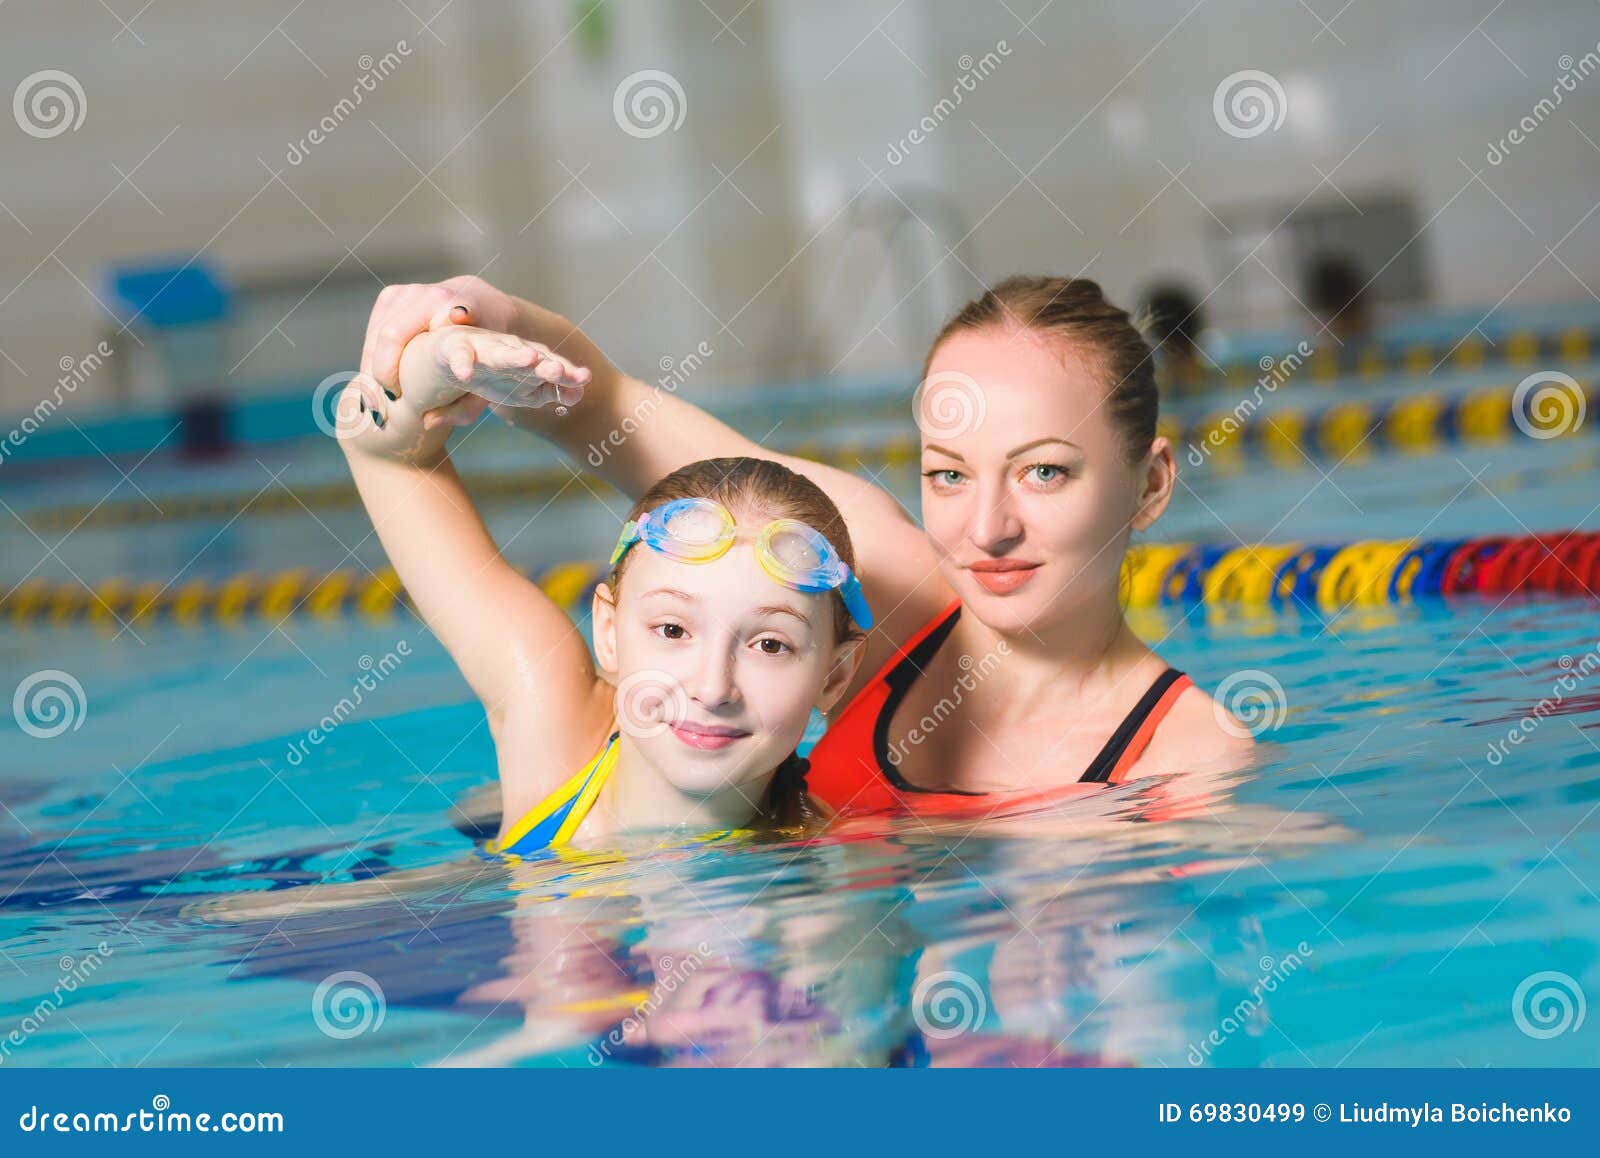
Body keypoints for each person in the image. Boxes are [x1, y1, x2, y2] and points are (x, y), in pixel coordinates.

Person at [354, 274, 1256, 818]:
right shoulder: (876, 575)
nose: (986, 530)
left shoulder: (1193, 762)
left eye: (1045, 473)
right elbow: (602, 406)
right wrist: (472, 309)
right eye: (947, 474)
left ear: (1150, 485)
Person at [336, 322, 868, 851]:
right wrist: (443, 362)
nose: (712, 689)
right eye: (672, 629)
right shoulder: (552, 724)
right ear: (609, 633)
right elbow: (383, 449)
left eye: (770, 644)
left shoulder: (829, 871)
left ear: (834, 675)